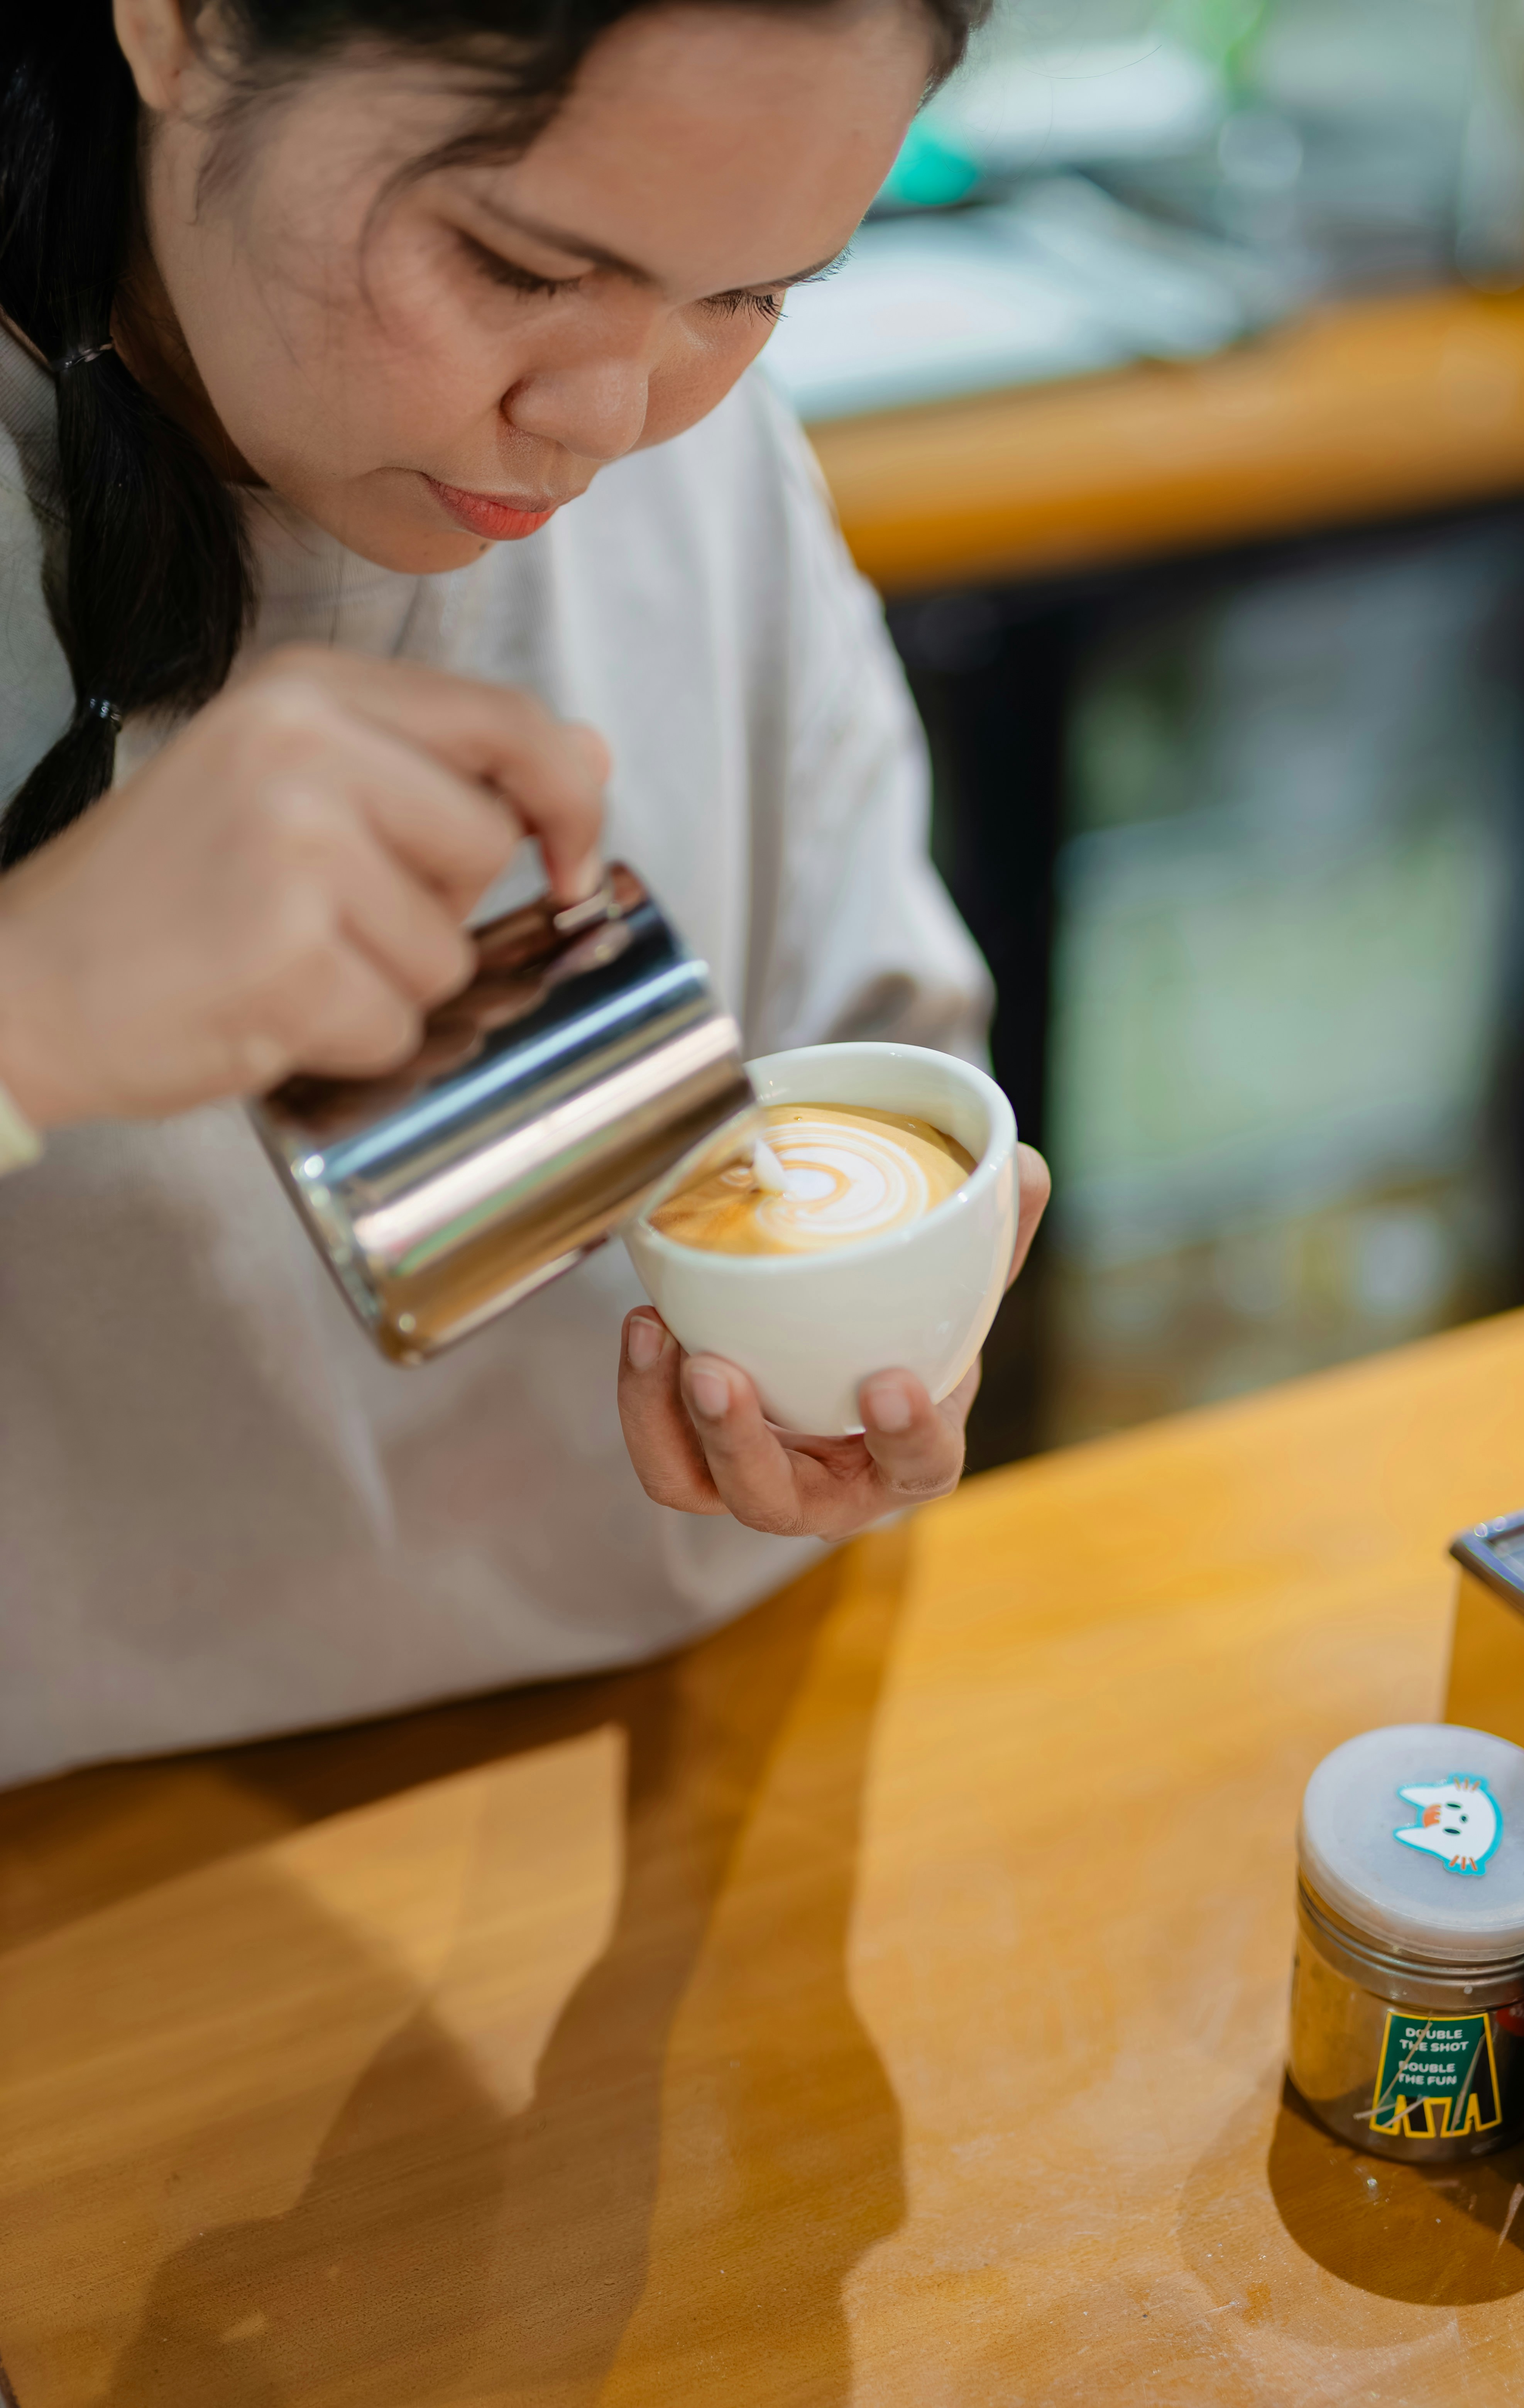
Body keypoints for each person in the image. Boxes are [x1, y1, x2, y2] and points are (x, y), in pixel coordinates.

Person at [0, 0, 1049, 1787]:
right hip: (106, 1856)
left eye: (752, 293)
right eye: (514, 265)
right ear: (180, 27)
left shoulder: (695, 452)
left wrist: (893, 1347)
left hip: (673, 1727)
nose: (604, 424)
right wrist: (36, 1015)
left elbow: (862, 1051)